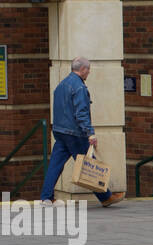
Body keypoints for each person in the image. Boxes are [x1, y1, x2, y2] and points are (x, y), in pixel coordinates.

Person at [41, 57, 123, 207]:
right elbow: (81, 113)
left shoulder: (61, 84)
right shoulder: (79, 87)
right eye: (88, 69)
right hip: (74, 133)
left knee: (55, 164)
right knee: (89, 165)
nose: (89, 72)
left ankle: (46, 197)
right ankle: (105, 197)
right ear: (83, 69)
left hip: (60, 131)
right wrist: (90, 133)